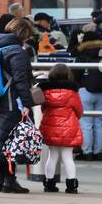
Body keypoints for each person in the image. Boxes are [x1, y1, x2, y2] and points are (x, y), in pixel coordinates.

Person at [0, 17, 37, 193]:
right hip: (11, 102)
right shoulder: (16, 52)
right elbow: (20, 79)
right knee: (10, 142)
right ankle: (10, 181)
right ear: (24, 34)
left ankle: (0, 180)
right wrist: (27, 103)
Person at [37, 64, 83, 194]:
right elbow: (79, 111)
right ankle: (71, 185)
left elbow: (43, 109)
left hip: (51, 127)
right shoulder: (72, 92)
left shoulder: (46, 91)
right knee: (68, 157)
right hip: (69, 128)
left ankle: (49, 184)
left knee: (52, 156)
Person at [76, 24, 102, 162]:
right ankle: (98, 152)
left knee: (86, 122)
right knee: (99, 122)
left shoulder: (82, 53)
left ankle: (87, 152)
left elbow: (76, 73)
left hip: (85, 89)